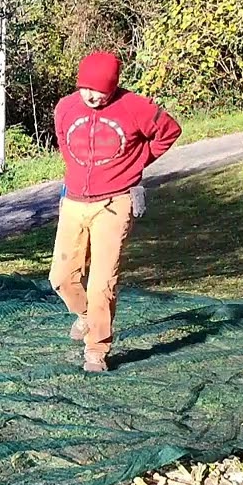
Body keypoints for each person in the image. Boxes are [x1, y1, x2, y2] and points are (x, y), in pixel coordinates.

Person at [50, 51, 182, 373]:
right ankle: (84, 316)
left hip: (115, 203)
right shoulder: (65, 108)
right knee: (61, 278)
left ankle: (96, 351)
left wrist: (136, 163)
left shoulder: (136, 107)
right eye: (87, 89)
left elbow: (169, 131)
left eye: (100, 91)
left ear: (113, 87)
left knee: (101, 283)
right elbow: (63, 143)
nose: (93, 96)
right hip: (74, 202)